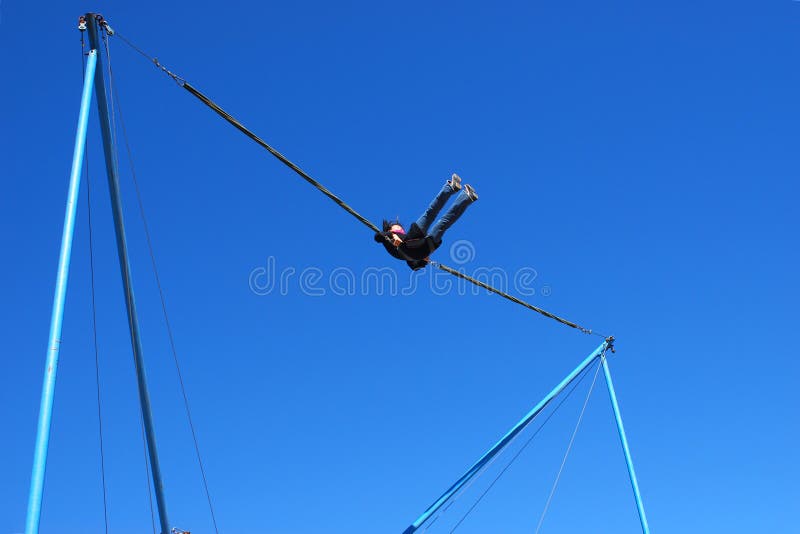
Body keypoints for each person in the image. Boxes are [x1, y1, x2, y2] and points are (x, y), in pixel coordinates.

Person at [374, 173, 478, 270]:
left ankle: (465, 196)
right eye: (397, 227)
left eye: (400, 228)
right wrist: (391, 235)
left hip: (420, 245)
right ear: (390, 228)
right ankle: (458, 192)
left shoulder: (404, 244)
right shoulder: (390, 239)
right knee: (440, 220)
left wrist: (421, 261)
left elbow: (414, 265)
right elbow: (378, 237)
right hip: (421, 247)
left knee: (437, 219)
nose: (400, 228)